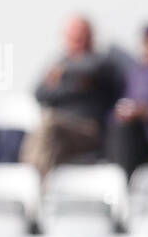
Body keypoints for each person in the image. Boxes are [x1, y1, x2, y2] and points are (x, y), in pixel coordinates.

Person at [20, 15, 124, 177]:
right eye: (74, 36)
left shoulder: (103, 61)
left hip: (90, 130)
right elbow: (39, 93)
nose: (78, 41)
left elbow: (91, 71)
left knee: (49, 123)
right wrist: (74, 83)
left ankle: (32, 182)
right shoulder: (59, 62)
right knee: (47, 135)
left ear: (90, 36)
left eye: (81, 36)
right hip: (60, 133)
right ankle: (34, 181)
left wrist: (62, 76)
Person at [107, 24, 148, 176]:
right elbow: (122, 101)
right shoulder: (136, 75)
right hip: (138, 137)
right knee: (121, 129)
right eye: (146, 45)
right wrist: (122, 114)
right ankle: (125, 183)